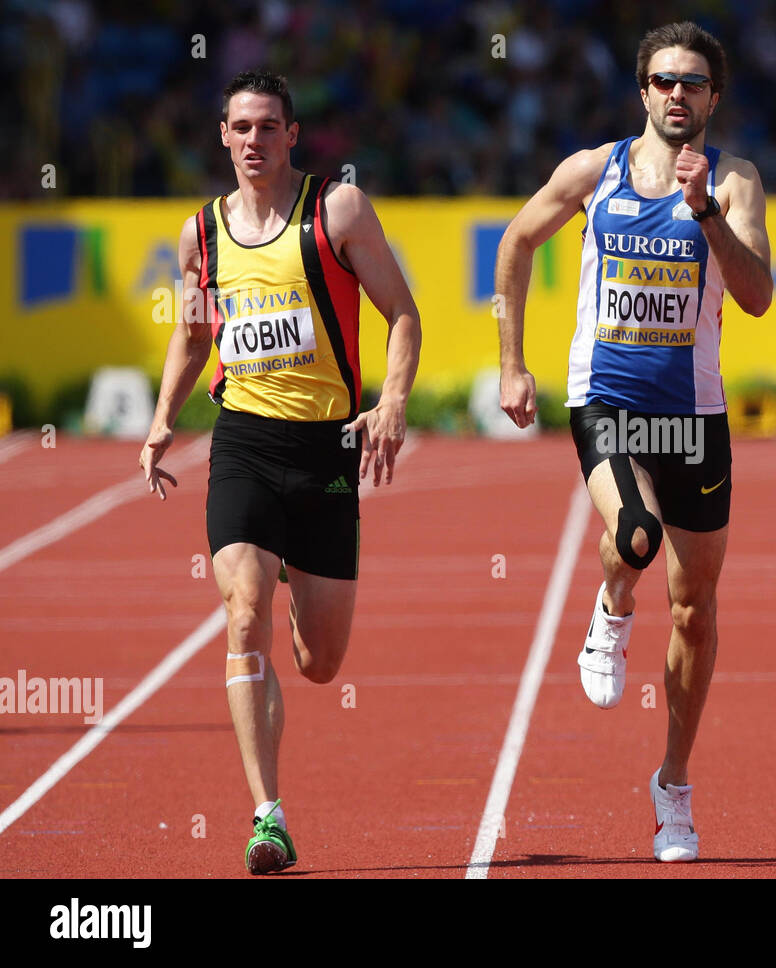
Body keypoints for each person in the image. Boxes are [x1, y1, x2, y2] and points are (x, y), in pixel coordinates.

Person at [495, 21, 771, 862]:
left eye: (693, 81)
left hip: (694, 416)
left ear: (713, 98)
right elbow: (515, 243)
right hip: (606, 400)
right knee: (634, 538)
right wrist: (512, 363)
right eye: (663, 80)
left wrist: (705, 215)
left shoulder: (736, 182)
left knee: (695, 607)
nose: (677, 93)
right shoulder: (594, 171)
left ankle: (674, 788)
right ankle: (612, 607)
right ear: (643, 91)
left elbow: (757, 295)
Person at [138, 70, 421, 874]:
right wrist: (163, 420)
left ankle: (297, 579)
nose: (254, 141)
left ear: (292, 135)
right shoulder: (200, 232)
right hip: (244, 447)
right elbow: (194, 335)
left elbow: (402, 312)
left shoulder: (336, 210)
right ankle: (269, 816)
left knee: (321, 665)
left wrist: (392, 401)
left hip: (326, 454)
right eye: (241, 128)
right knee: (242, 608)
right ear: (222, 137)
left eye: (269, 127)